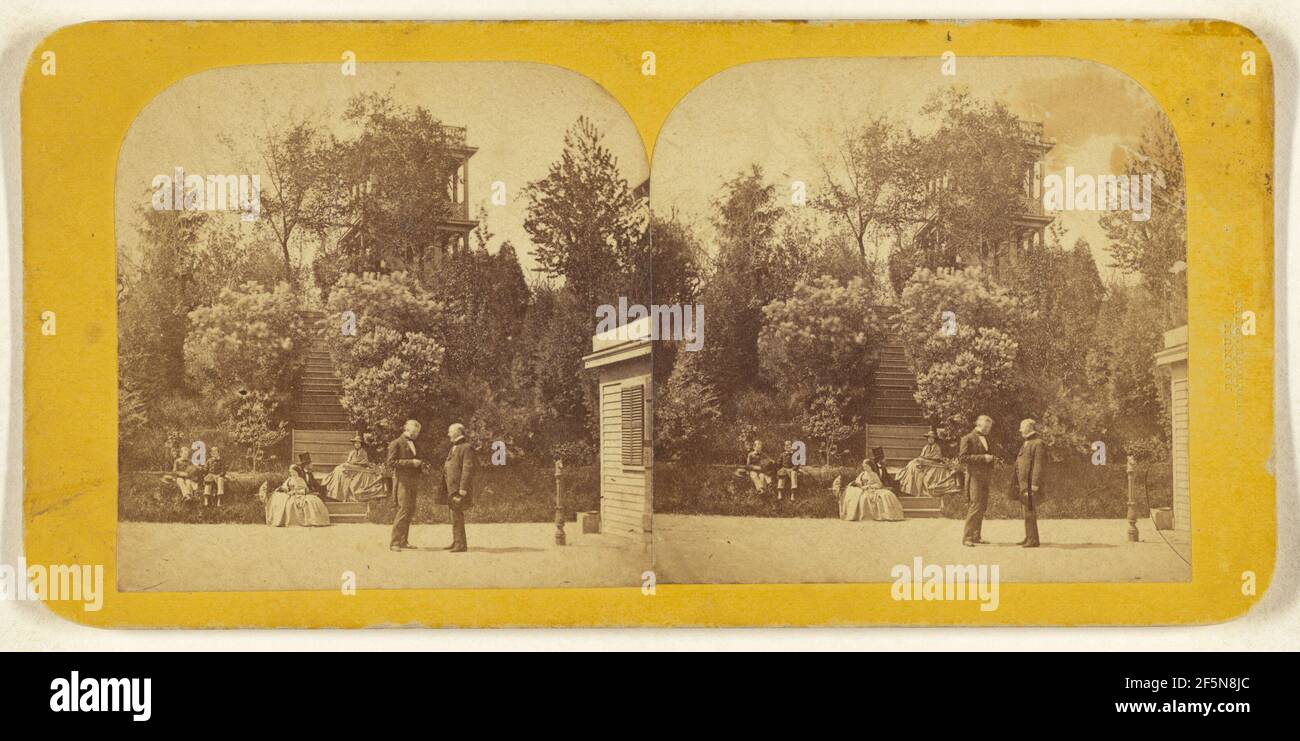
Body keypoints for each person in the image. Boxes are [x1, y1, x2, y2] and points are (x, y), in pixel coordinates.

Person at [959, 415, 998, 547]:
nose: (988, 430)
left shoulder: (987, 438)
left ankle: (976, 536)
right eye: (986, 427)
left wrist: (991, 460)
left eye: (989, 427)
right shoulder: (967, 438)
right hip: (975, 477)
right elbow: (963, 458)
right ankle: (967, 537)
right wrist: (983, 458)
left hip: (985, 477)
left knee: (982, 506)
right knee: (975, 505)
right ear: (978, 425)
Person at [387, 420, 425, 552]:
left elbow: (416, 460)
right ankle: (394, 543)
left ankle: (403, 541)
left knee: (410, 510)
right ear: (406, 429)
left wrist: (419, 465)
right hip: (402, 481)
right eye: (414, 432)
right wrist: (411, 463)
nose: (416, 435)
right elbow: (391, 463)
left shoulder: (415, 443)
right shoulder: (396, 443)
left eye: (417, 432)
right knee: (403, 510)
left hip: (412, 481)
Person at [323, 434, 388, 502]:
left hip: (359, 467)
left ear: (361, 444)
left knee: (346, 468)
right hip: (351, 466)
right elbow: (348, 461)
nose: (357, 445)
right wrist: (350, 463)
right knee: (340, 468)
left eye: (358, 443)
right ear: (354, 444)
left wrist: (356, 462)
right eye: (356, 443)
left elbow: (365, 462)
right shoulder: (352, 452)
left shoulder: (364, 452)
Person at [897, 430, 962, 498]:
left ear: (934, 439)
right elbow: (922, 455)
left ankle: (915, 489)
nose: (930, 440)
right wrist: (922, 459)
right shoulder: (925, 447)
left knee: (917, 466)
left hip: (932, 463)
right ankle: (908, 487)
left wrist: (925, 459)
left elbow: (937, 458)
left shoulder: (937, 447)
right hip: (924, 462)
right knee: (912, 464)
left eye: (932, 438)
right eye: (929, 438)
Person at [262, 463, 331, 527]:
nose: (292, 474)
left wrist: (295, 492)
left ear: (297, 472)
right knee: (278, 498)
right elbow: (285, 486)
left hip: (298, 495)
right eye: (291, 472)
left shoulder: (300, 479)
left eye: (293, 472)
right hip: (289, 494)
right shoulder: (289, 479)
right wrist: (282, 489)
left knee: (295, 504)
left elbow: (304, 490)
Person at [1012, 418, 1046, 548]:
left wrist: (1034, 484)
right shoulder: (1027, 442)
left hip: (1030, 484)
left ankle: (1033, 540)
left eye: (1022, 427)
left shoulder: (1038, 443)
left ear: (1029, 428)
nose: (1020, 430)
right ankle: (1029, 537)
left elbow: (1038, 465)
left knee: (1029, 511)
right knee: (1026, 511)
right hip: (1023, 484)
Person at [838, 458, 906, 521]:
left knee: (885, 495)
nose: (864, 468)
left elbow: (879, 484)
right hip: (862, 489)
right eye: (864, 466)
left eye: (866, 466)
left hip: (871, 489)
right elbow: (857, 481)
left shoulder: (873, 474)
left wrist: (869, 486)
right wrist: (858, 484)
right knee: (860, 497)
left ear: (870, 466)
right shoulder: (862, 474)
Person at [443, 422, 475, 553]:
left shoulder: (466, 447)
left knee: (457, 515)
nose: (448, 433)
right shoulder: (455, 447)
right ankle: (457, 541)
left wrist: (463, 487)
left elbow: (467, 469)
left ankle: (460, 545)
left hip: (458, 488)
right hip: (451, 487)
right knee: (453, 515)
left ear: (457, 432)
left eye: (450, 431)